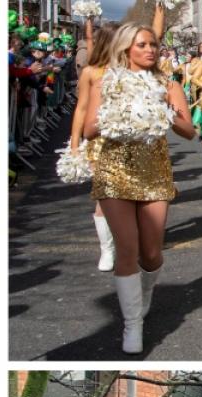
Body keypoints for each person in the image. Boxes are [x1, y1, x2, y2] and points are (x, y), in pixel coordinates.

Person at [83, 23, 195, 355]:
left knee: (151, 252)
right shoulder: (107, 83)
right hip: (114, 170)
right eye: (142, 44)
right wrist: (114, 113)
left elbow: (189, 131)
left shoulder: (168, 84)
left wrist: (166, 112)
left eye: (154, 44)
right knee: (127, 249)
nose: (150, 49)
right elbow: (90, 128)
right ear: (125, 48)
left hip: (154, 174)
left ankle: (144, 293)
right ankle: (133, 324)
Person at [68, 19, 116, 271]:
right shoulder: (92, 71)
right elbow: (82, 108)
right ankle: (107, 249)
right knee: (104, 195)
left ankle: (128, 238)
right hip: (100, 141)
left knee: (129, 194)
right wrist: (75, 144)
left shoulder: (136, 69)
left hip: (131, 141)